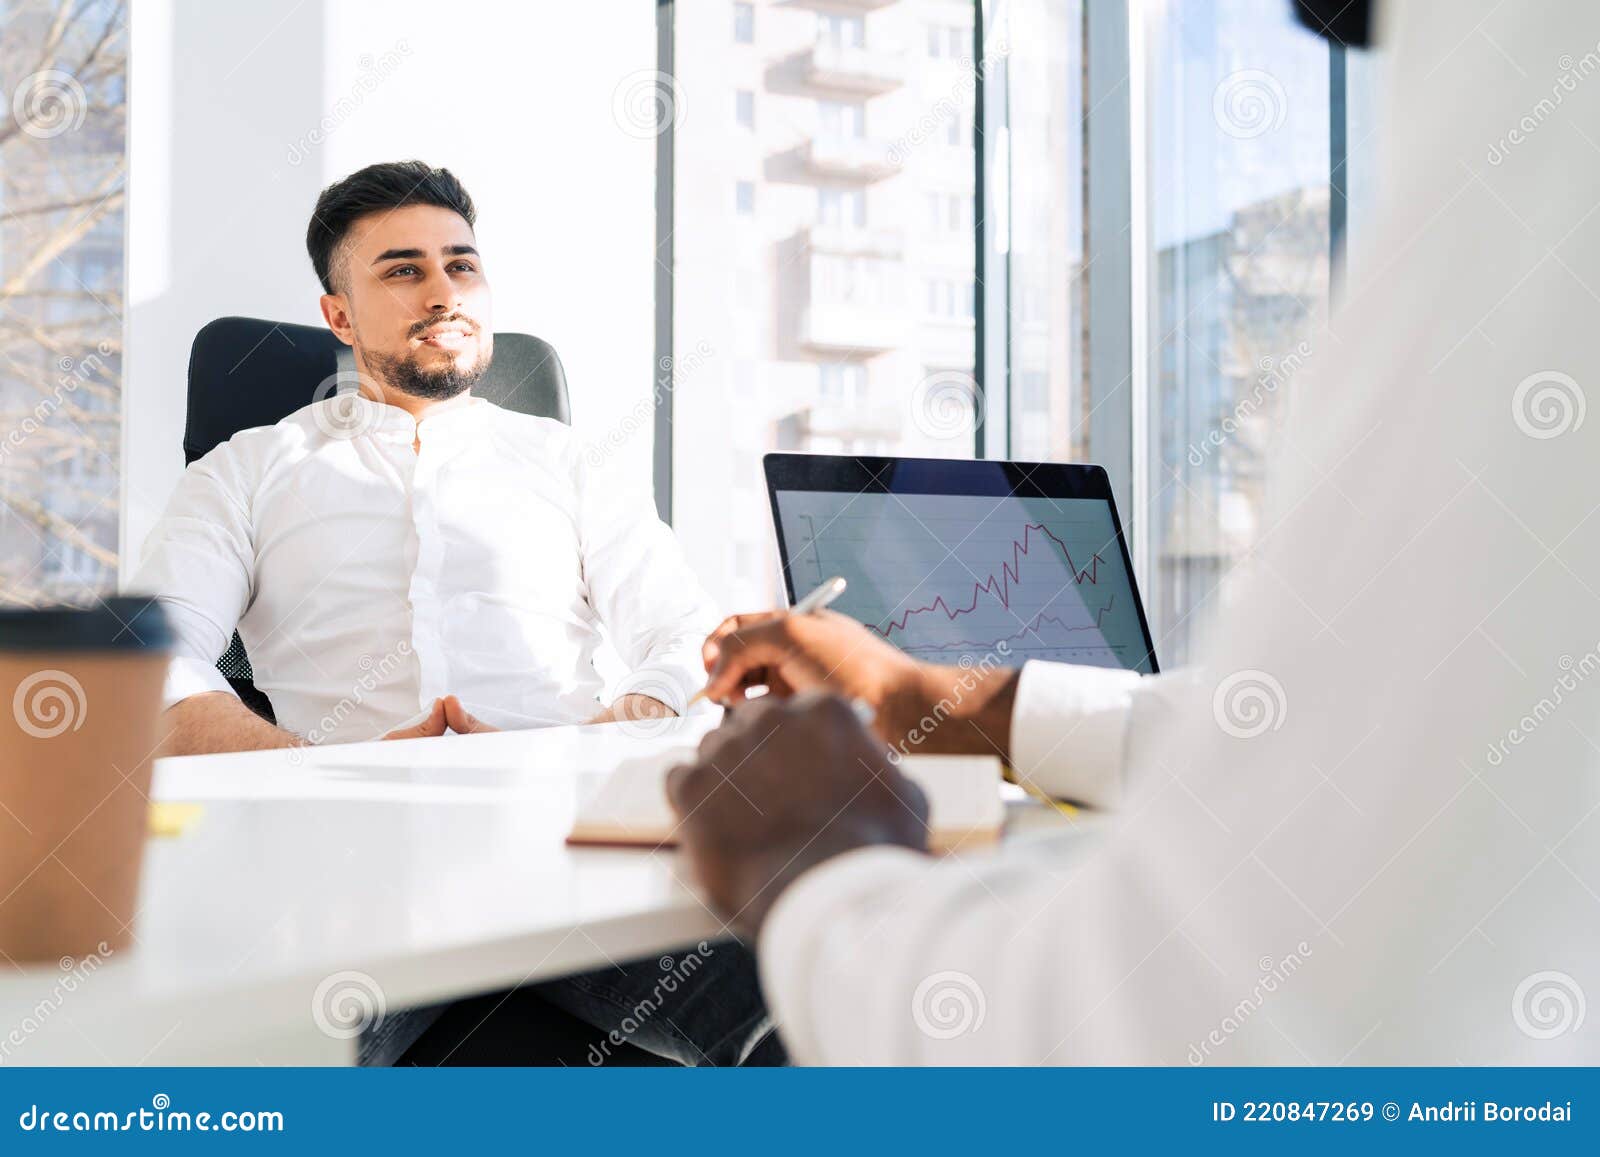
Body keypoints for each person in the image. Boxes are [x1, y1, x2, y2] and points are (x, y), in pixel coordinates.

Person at [666, 0, 1600, 1065]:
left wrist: (815, 861)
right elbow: (1347, 741)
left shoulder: (1545, 101)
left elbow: (1214, 1034)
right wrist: (922, 693)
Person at [134, 161, 777, 1067]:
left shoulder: (570, 464)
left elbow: (685, 640)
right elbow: (148, 665)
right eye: (403, 270)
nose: (443, 292)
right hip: (344, 868)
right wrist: (329, 775)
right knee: (245, 1058)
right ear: (341, 316)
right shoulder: (246, 471)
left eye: (461, 265)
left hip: (568, 854)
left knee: (806, 996)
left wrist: (595, 740)